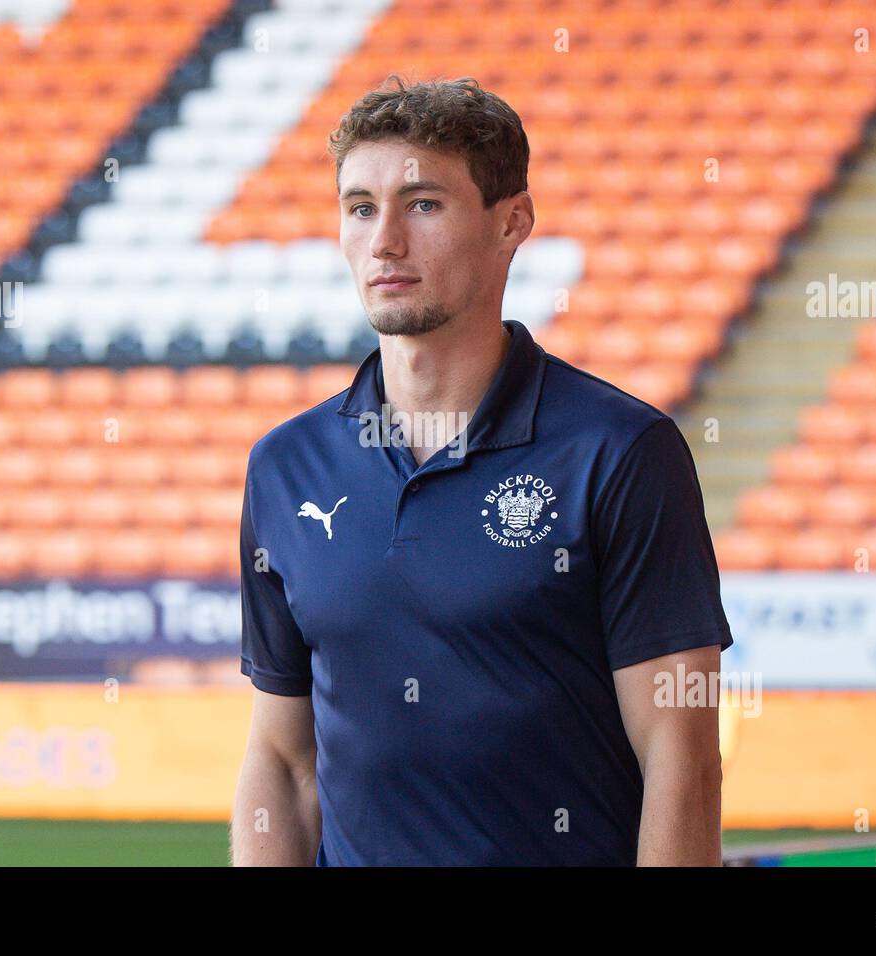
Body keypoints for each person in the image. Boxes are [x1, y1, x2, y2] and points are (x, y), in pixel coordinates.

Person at [231, 75, 733, 866]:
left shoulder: (621, 451)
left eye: (423, 204)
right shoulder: (285, 466)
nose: (384, 241)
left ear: (513, 223)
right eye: (360, 208)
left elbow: (682, 759)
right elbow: (283, 760)